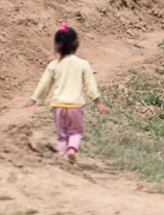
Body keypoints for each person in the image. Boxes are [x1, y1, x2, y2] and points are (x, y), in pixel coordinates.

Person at [24, 23, 109, 165]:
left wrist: (34, 99)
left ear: (57, 45)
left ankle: (63, 158)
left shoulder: (53, 65)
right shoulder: (83, 64)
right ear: (76, 44)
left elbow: (44, 83)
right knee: (75, 132)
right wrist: (98, 102)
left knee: (61, 136)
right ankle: (72, 150)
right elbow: (90, 85)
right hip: (75, 106)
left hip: (58, 106)